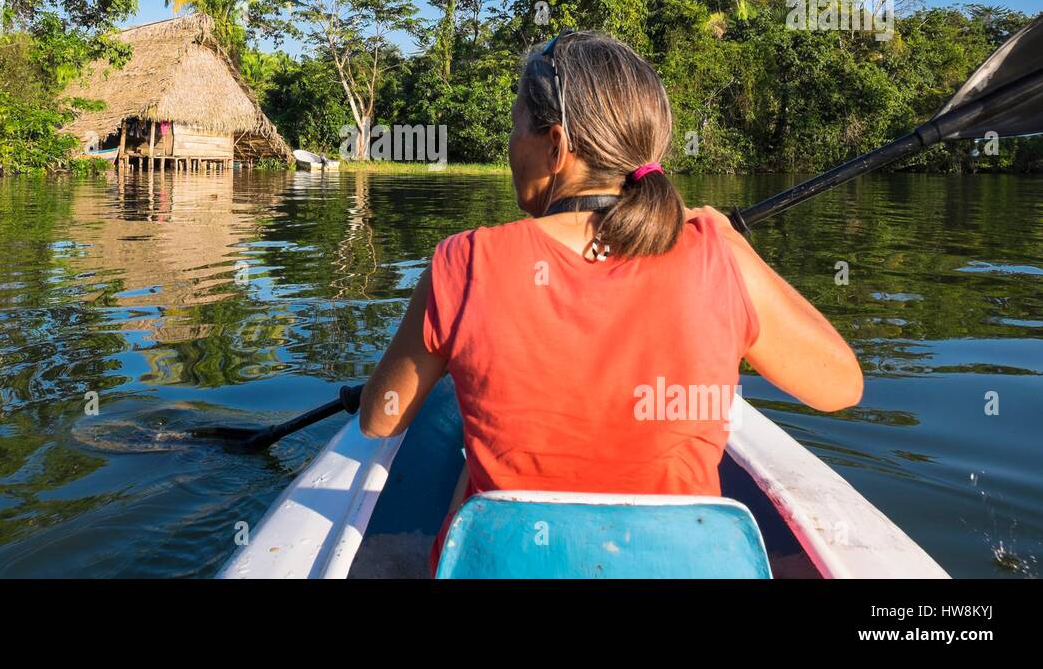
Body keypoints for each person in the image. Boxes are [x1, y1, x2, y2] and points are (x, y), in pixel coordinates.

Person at [358, 31, 864, 575]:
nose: (509, 146)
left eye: (513, 127)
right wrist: (733, 246)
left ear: (555, 145)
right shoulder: (720, 255)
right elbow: (842, 386)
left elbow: (378, 421)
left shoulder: (464, 261)